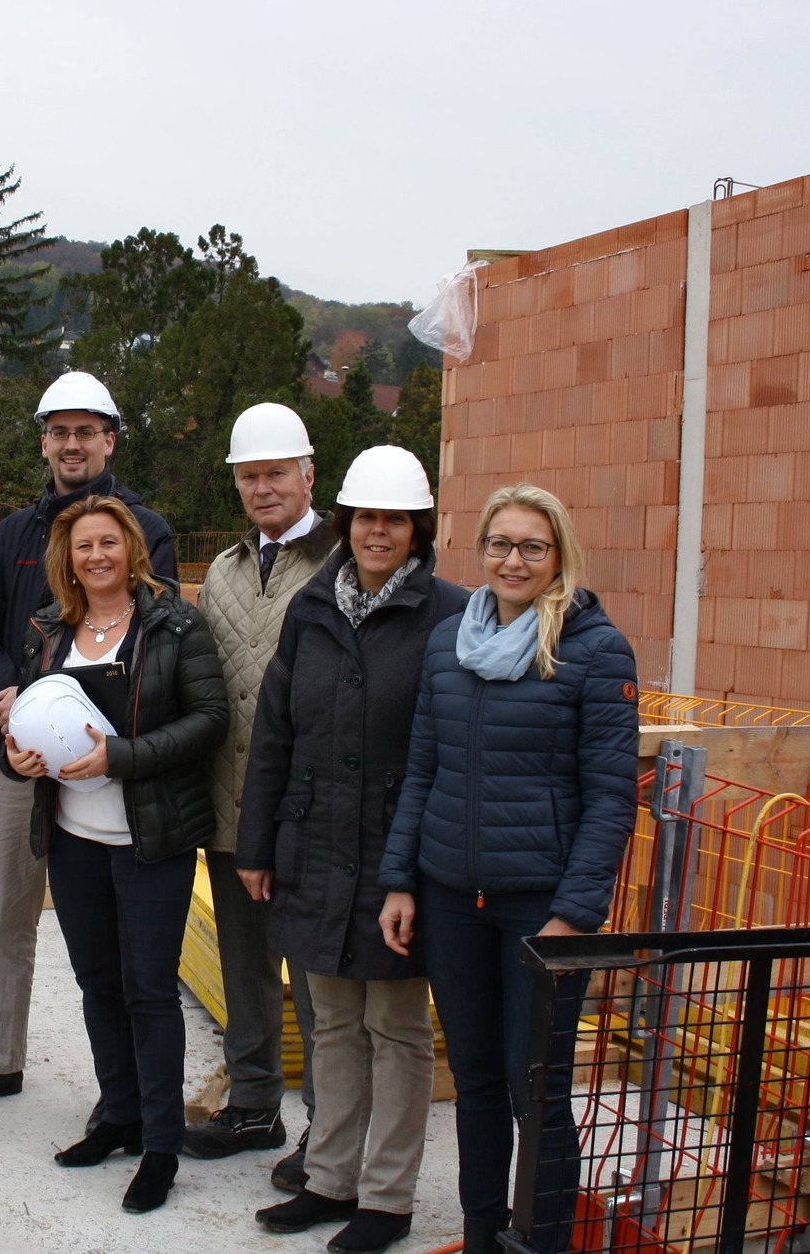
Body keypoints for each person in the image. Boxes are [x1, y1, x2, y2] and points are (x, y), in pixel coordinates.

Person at [378, 483, 639, 1254]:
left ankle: (545, 1237)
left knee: (539, 1090)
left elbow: (611, 798)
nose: (513, 560)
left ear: (558, 555)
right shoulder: (451, 639)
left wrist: (574, 916)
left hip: (539, 909)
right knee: (478, 1081)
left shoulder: (595, 648)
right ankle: (483, 1230)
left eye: (532, 546)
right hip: (453, 896)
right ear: (481, 550)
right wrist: (401, 877)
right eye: (500, 544)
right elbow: (422, 768)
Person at [238, 447, 467, 1254]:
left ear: (418, 528)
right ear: (347, 522)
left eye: (394, 519)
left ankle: (388, 1194)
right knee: (331, 1019)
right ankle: (329, 1176)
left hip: (398, 854)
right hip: (312, 840)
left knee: (396, 1025)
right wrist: (256, 843)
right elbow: (274, 731)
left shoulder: (449, 612)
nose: (378, 532)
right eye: (366, 517)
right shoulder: (312, 606)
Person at [0, 370, 178, 1113]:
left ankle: (133, 1092)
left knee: (113, 940)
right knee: (8, 910)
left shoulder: (147, 530)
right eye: (58, 431)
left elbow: (156, 638)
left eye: (86, 431)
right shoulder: (12, 534)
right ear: (43, 441)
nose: (71, 444)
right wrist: (5, 693)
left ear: (110, 438)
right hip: (20, 754)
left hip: (107, 760)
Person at [2, 494, 227, 1214]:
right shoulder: (48, 629)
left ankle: (161, 1144)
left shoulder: (174, 623)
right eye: (82, 546)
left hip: (151, 837)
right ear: (66, 559)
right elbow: (29, 718)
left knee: (149, 991)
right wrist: (19, 756)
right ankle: (119, 1113)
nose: (96, 556)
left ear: (132, 549)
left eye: (108, 542)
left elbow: (209, 721)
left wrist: (122, 758)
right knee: (98, 982)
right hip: (73, 836)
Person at [186, 402, 336, 1181]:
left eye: (276, 472)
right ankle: (252, 1103)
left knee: (315, 983)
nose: (262, 486)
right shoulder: (226, 569)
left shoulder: (341, 564)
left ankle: (329, 1130)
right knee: (246, 966)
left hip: (307, 815)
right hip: (231, 805)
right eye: (249, 475)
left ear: (308, 474)